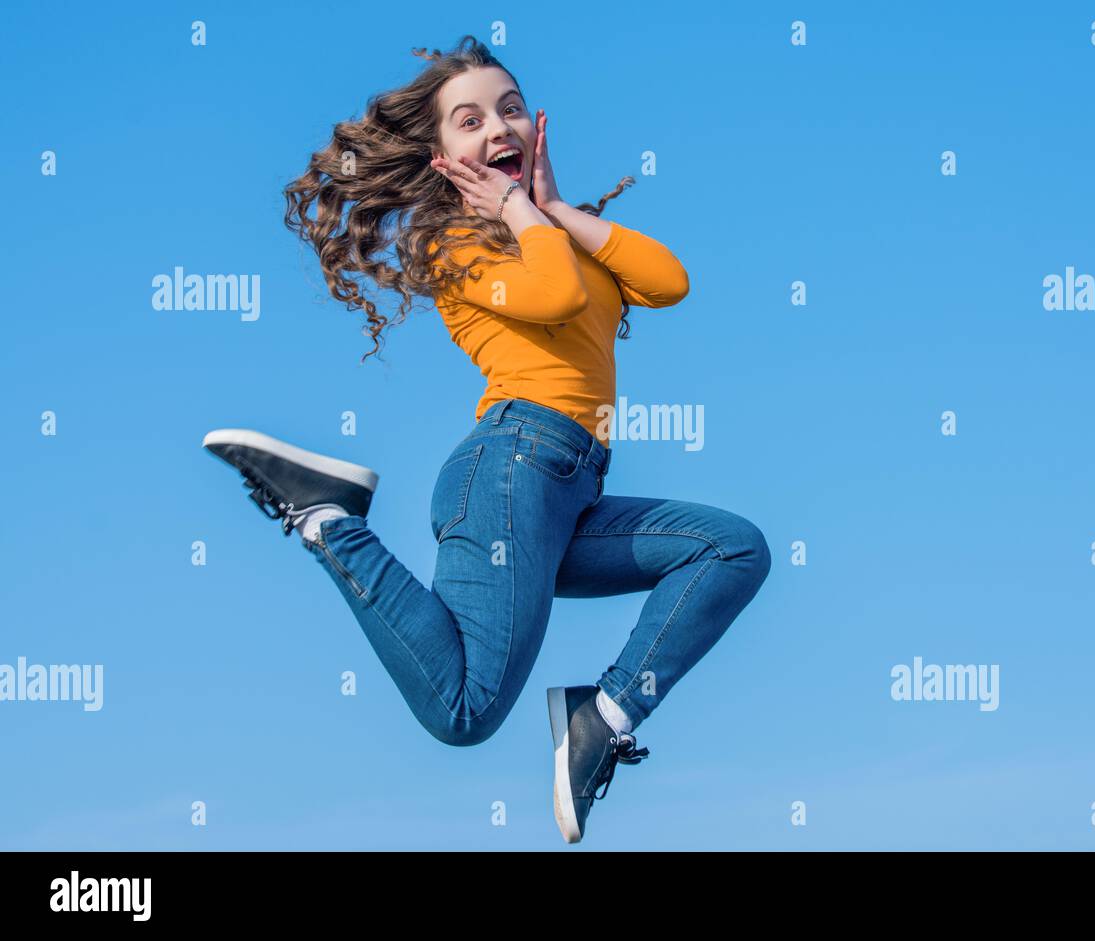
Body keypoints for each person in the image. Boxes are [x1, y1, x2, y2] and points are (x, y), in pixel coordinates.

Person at [202, 35, 771, 844]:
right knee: (463, 711)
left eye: (510, 109)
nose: (498, 126)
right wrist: (515, 211)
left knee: (731, 549)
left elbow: (668, 281)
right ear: (442, 158)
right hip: (511, 469)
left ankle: (600, 715)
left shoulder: (551, 230)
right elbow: (553, 293)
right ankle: (329, 518)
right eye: (469, 120)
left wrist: (557, 206)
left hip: (571, 490)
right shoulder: (452, 244)